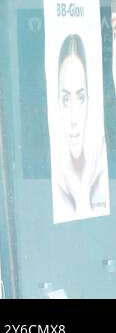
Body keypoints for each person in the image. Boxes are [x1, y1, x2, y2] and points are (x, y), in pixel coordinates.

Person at [54, 34, 106, 220]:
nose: (74, 118)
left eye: (81, 98)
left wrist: (82, 194)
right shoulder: (57, 183)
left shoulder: (101, 173)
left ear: (89, 101)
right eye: (66, 100)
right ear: (57, 103)